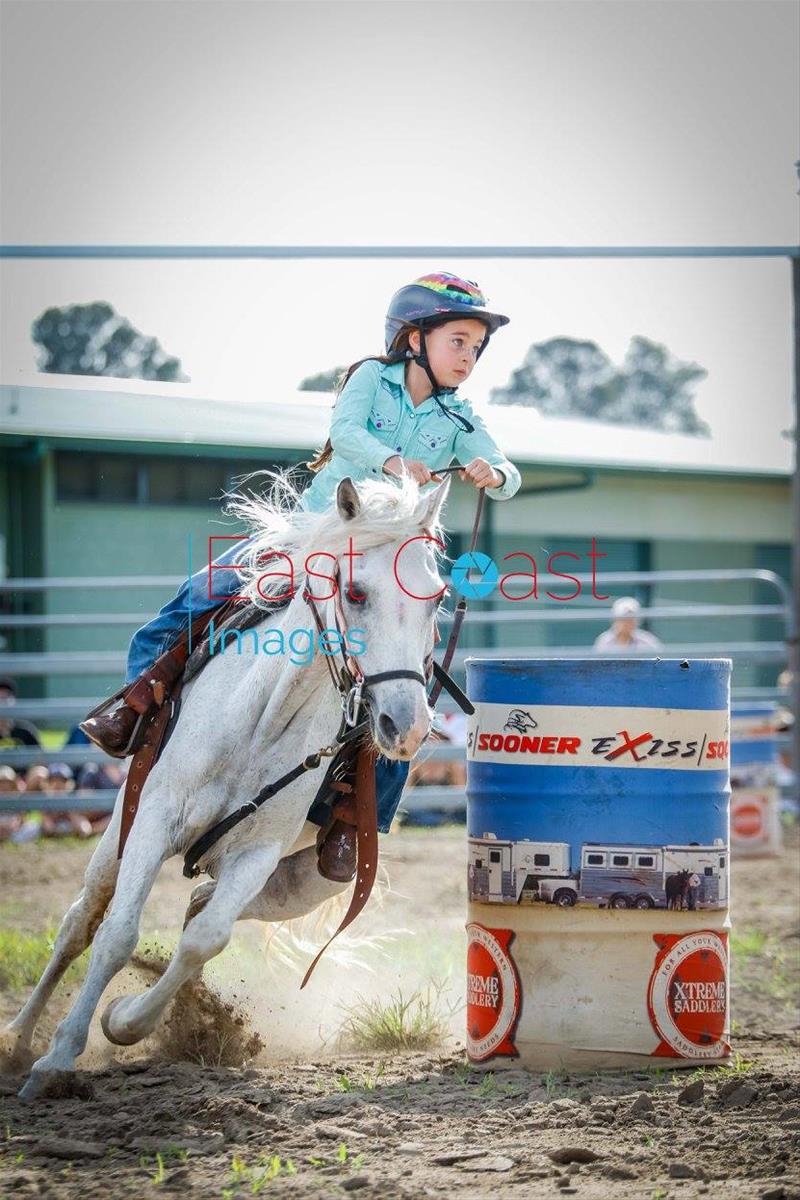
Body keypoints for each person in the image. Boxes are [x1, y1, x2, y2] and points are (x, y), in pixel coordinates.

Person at [79, 271, 521, 879]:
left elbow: (504, 467)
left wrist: (495, 474)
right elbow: (346, 433)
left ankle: (352, 820)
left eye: (476, 346)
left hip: (388, 559)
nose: (468, 356)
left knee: (406, 679)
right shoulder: (371, 378)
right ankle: (134, 706)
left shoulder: (461, 417)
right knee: (201, 593)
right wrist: (395, 461)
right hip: (315, 535)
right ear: (414, 339)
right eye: (458, 341)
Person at [592, 597, 662, 653]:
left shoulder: (648, 641)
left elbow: (659, 662)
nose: (627, 622)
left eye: (631, 619)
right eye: (623, 618)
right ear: (614, 620)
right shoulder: (604, 641)